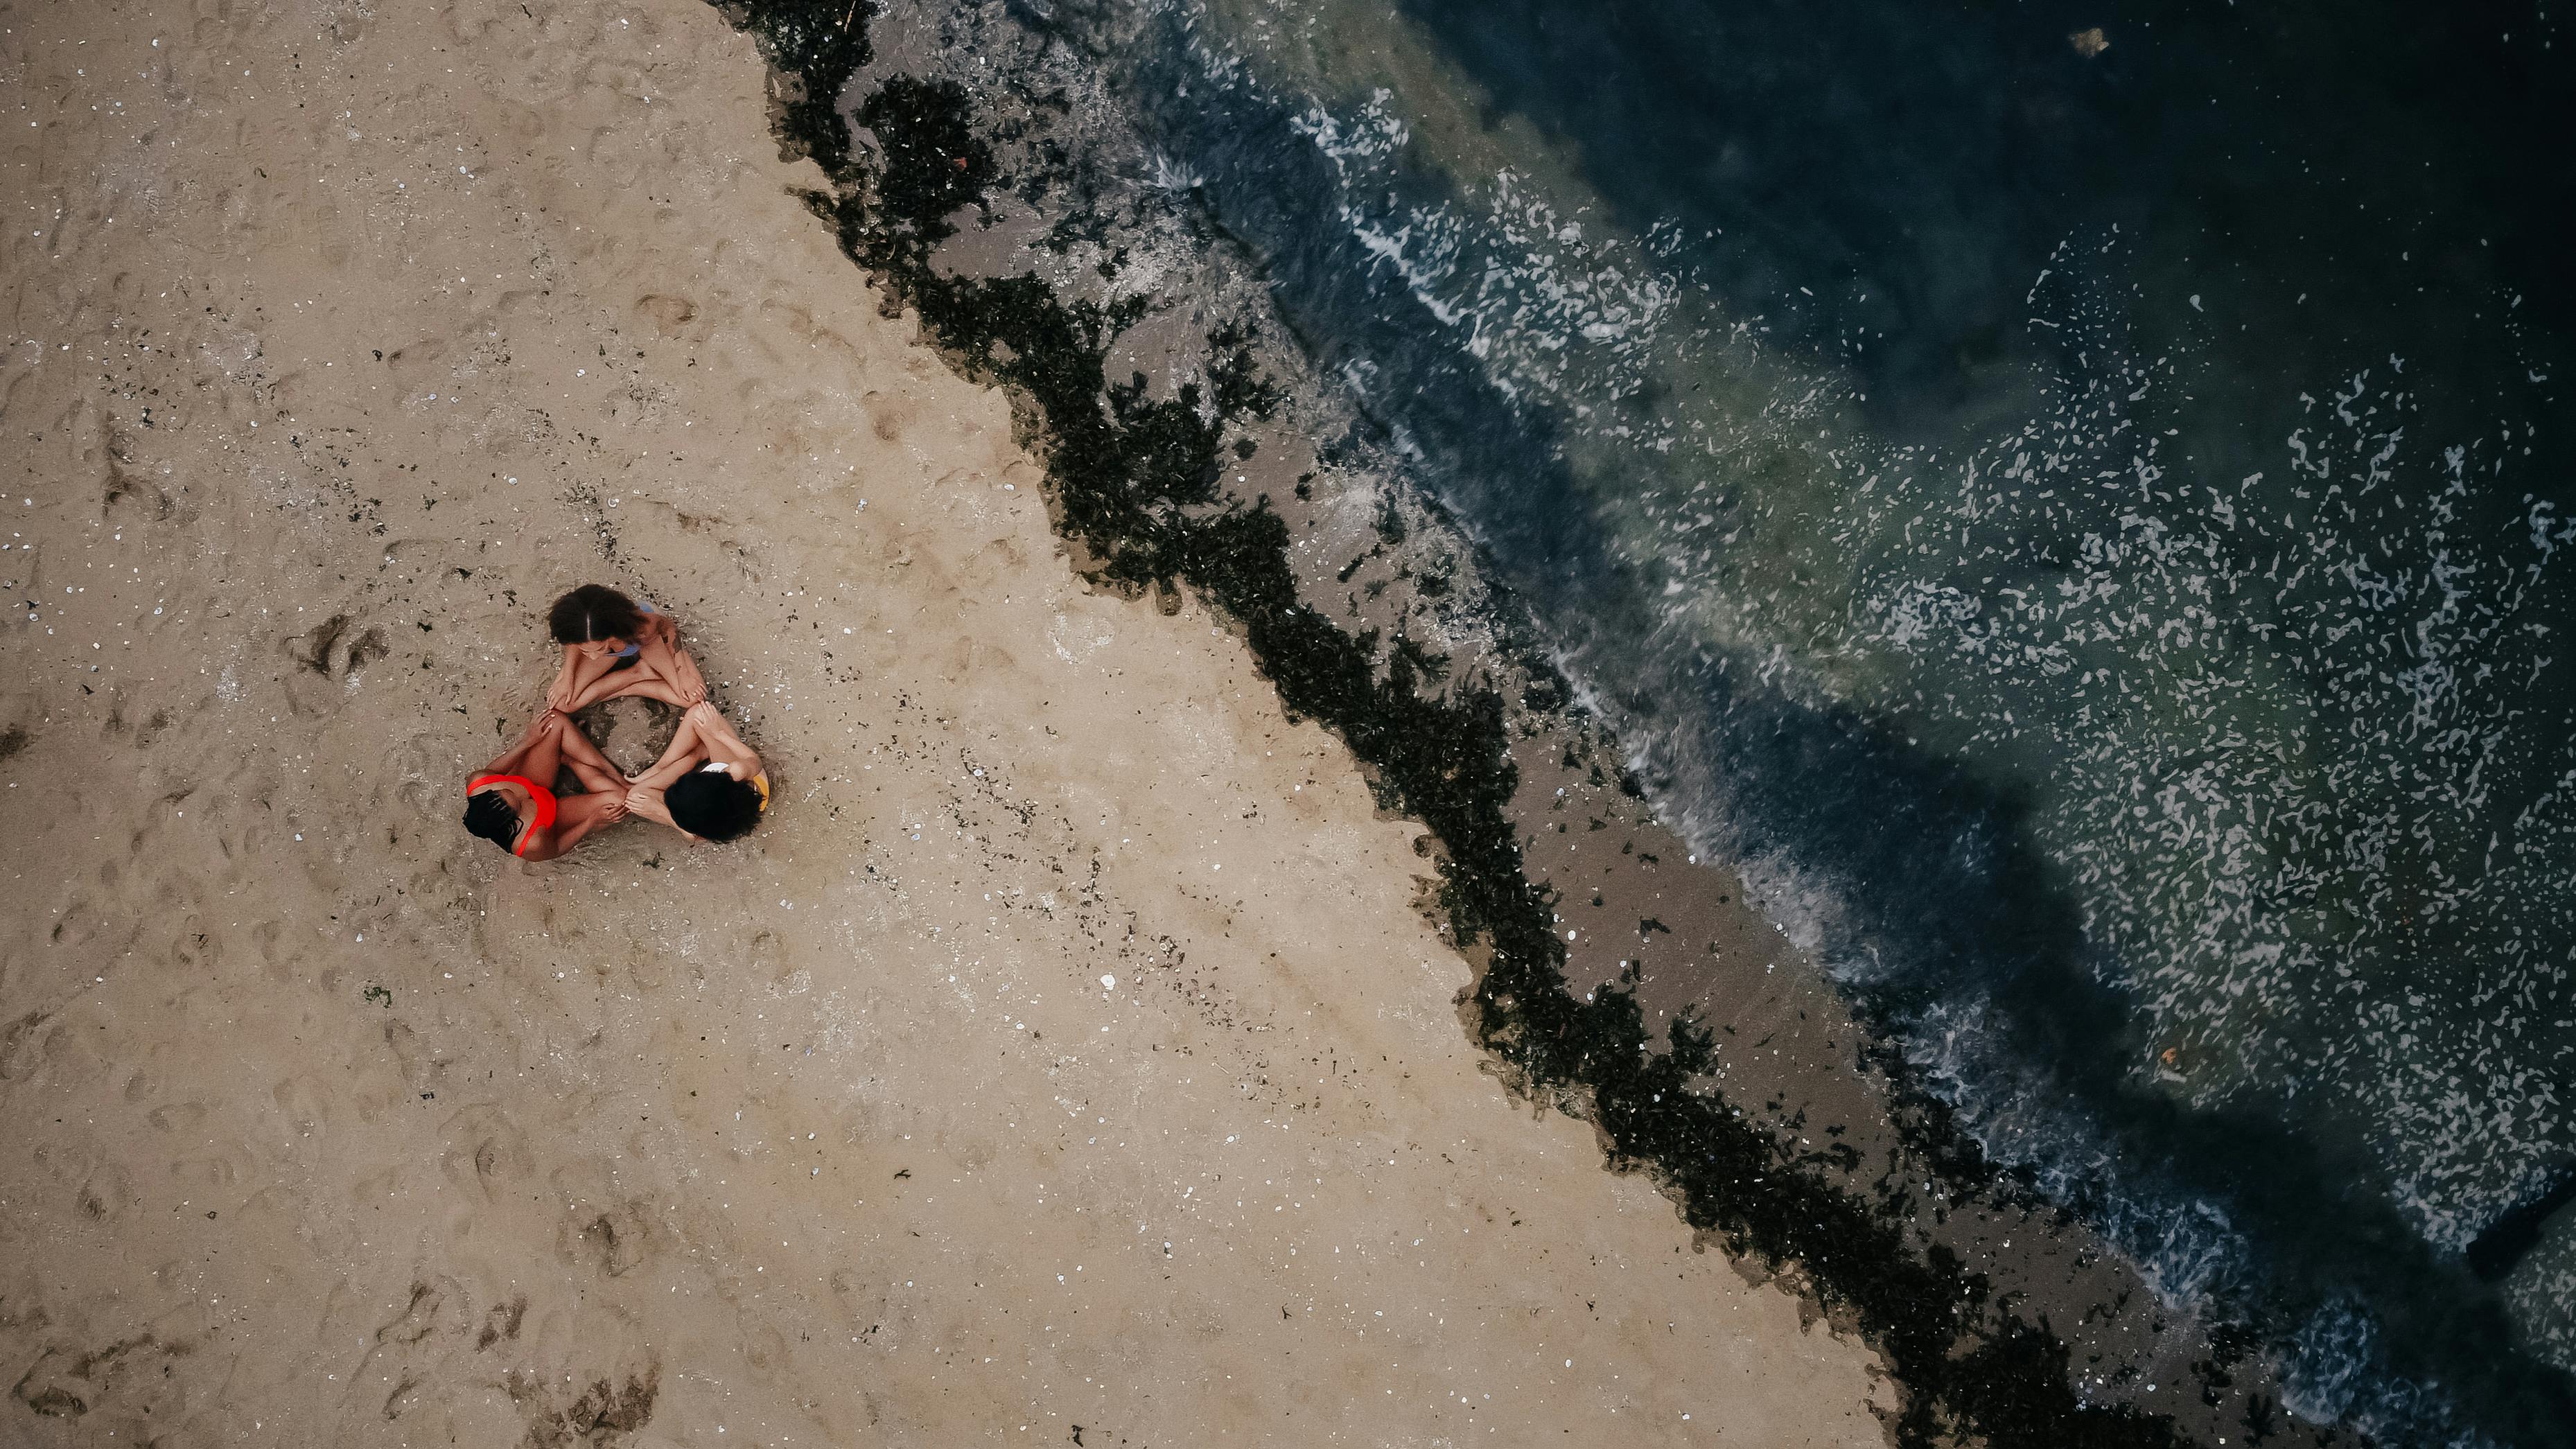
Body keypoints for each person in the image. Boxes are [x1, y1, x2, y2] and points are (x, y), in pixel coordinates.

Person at [461, 710, 631, 861]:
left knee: (551, 721)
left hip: (534, 780)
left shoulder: (479, 782)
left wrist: (528, 741)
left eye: (504, 791)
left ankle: (611, 772)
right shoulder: (529, 843)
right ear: (512, 820)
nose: (522, 796)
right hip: (554, 814)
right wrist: (590, 822)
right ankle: (570, 761)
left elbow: (495, 769)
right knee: (620, 801)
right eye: (519, 804)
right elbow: (556, 849)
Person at [544, 583, 707, 712]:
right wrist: (567, 678)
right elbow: (572, 642)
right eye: (585, 651)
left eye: (599, 648)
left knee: (693, 698)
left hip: (646, 642)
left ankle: (632, 684)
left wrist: (683, 672)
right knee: (561, 704)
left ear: (611, 635)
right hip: (615, 655)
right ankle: (637, 673)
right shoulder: (578, 630)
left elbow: (668, 628)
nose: (593, 657)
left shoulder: (640, 627)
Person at [622, 700, 768, 844]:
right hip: (729, 785)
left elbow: (693, 837)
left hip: (716, 805)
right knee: (699, 713)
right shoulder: (736, 771)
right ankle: (673, 762)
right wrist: (719, 734)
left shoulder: (707, 827)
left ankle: (696, 755)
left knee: (634, 796)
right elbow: (754, 760)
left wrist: (662, 812)